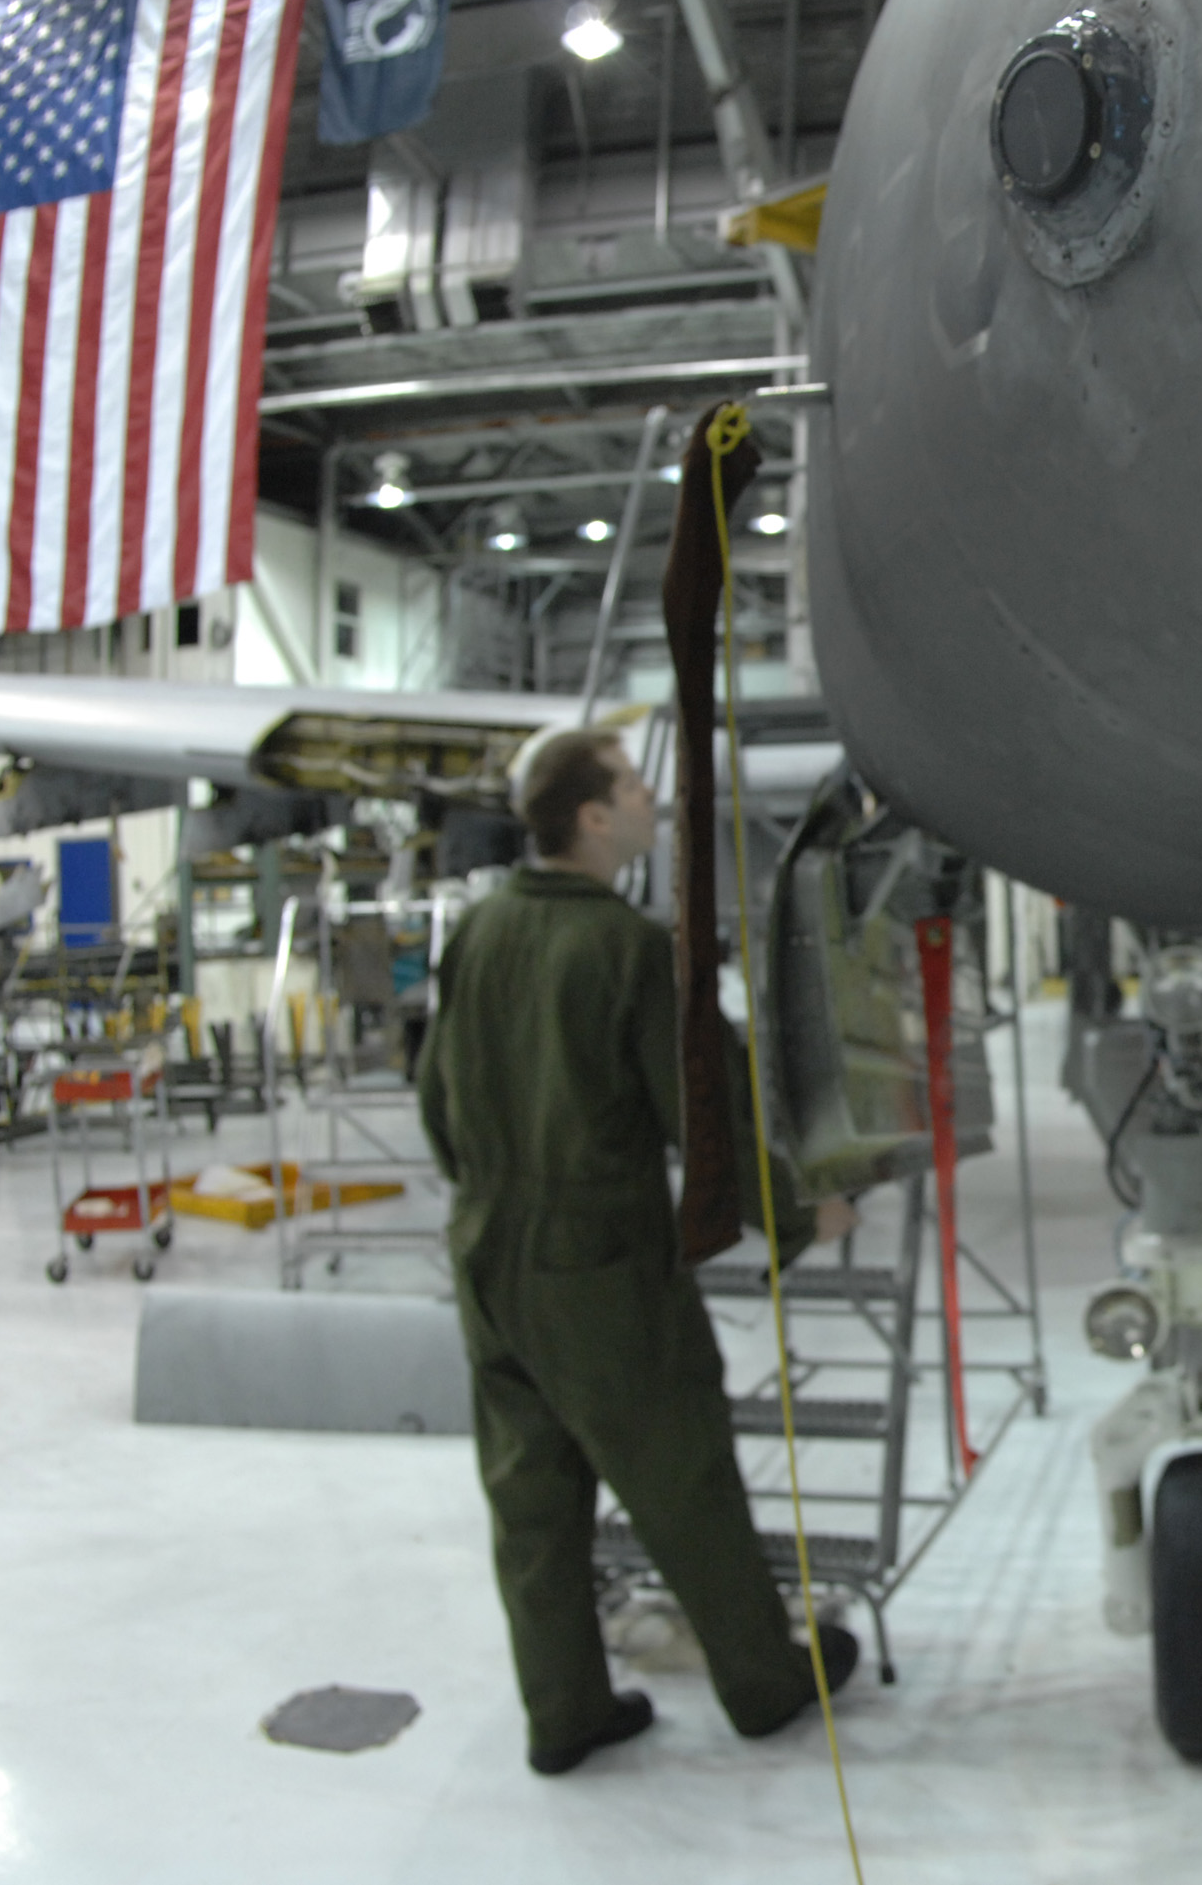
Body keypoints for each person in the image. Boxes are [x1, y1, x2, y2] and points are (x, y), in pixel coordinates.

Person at [417, 725, 860, 1775]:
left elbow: (436, 1095)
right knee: (680, 1472)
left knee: (532, 1499)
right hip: (599, 1266)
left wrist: (487, 1192)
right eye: (629, 785)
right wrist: (800, 1213)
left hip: (486, 1252)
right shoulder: (629, 950)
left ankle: (563, 1711)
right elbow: (702, 1121)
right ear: (590, 817)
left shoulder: (478, 931)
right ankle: (763, 1681)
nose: (648, 799)